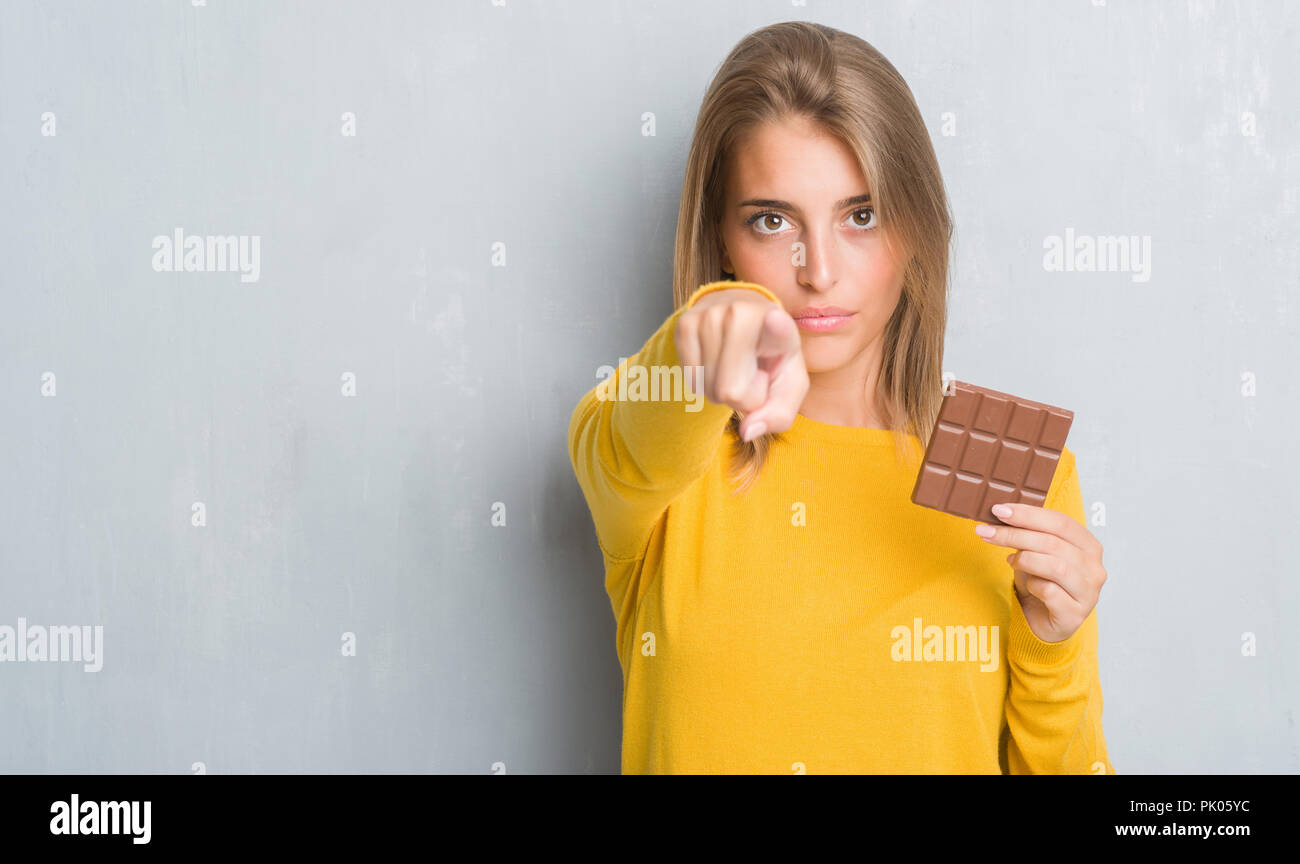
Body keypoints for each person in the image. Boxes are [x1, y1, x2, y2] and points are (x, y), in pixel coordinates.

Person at [568, 21, 1112, 774]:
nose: (818, 271)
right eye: (771, 220)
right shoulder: (661, 451)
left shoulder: (1016, 479)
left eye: (862, 216)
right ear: (721, 237)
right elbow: (637, 430)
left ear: (917, 227)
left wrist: (1052, 648)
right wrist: (721, 331)